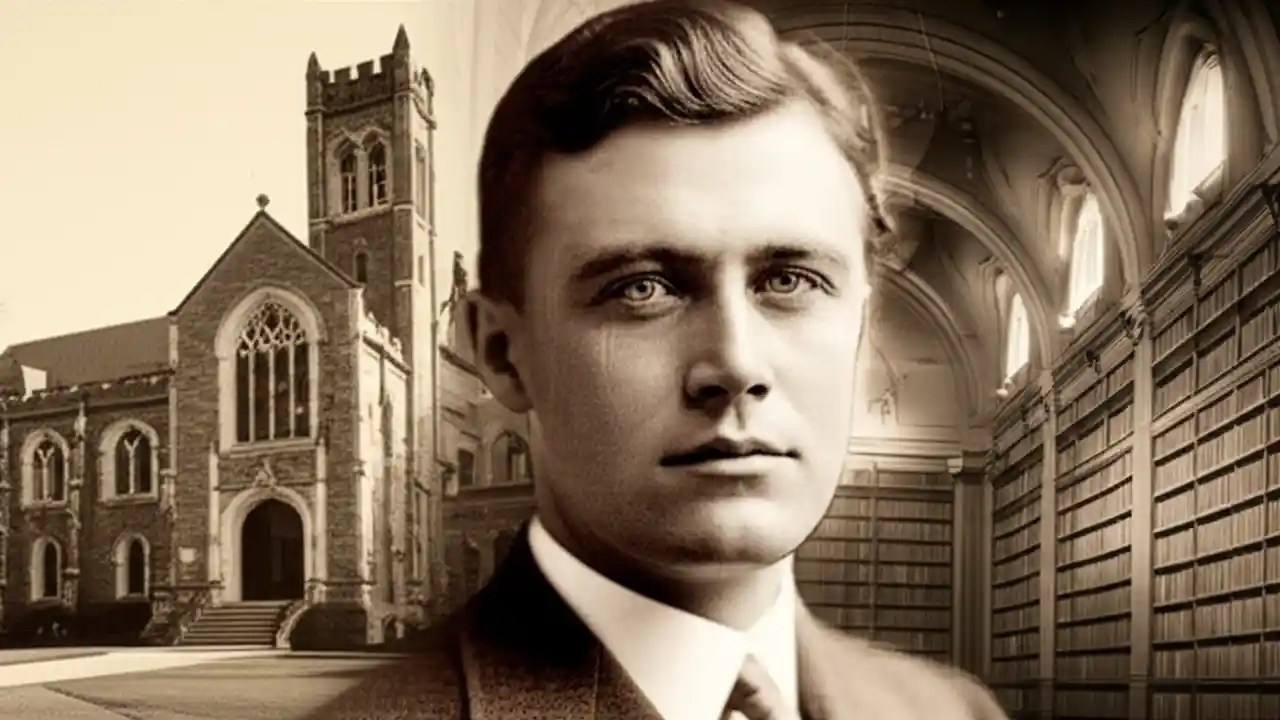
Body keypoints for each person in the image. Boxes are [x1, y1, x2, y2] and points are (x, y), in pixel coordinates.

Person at [310, 1, 1008, 718]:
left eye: (790, 280)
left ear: (859, 324)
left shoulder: (948, 709)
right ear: (503, 354)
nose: (735, 364)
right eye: (643, 287)